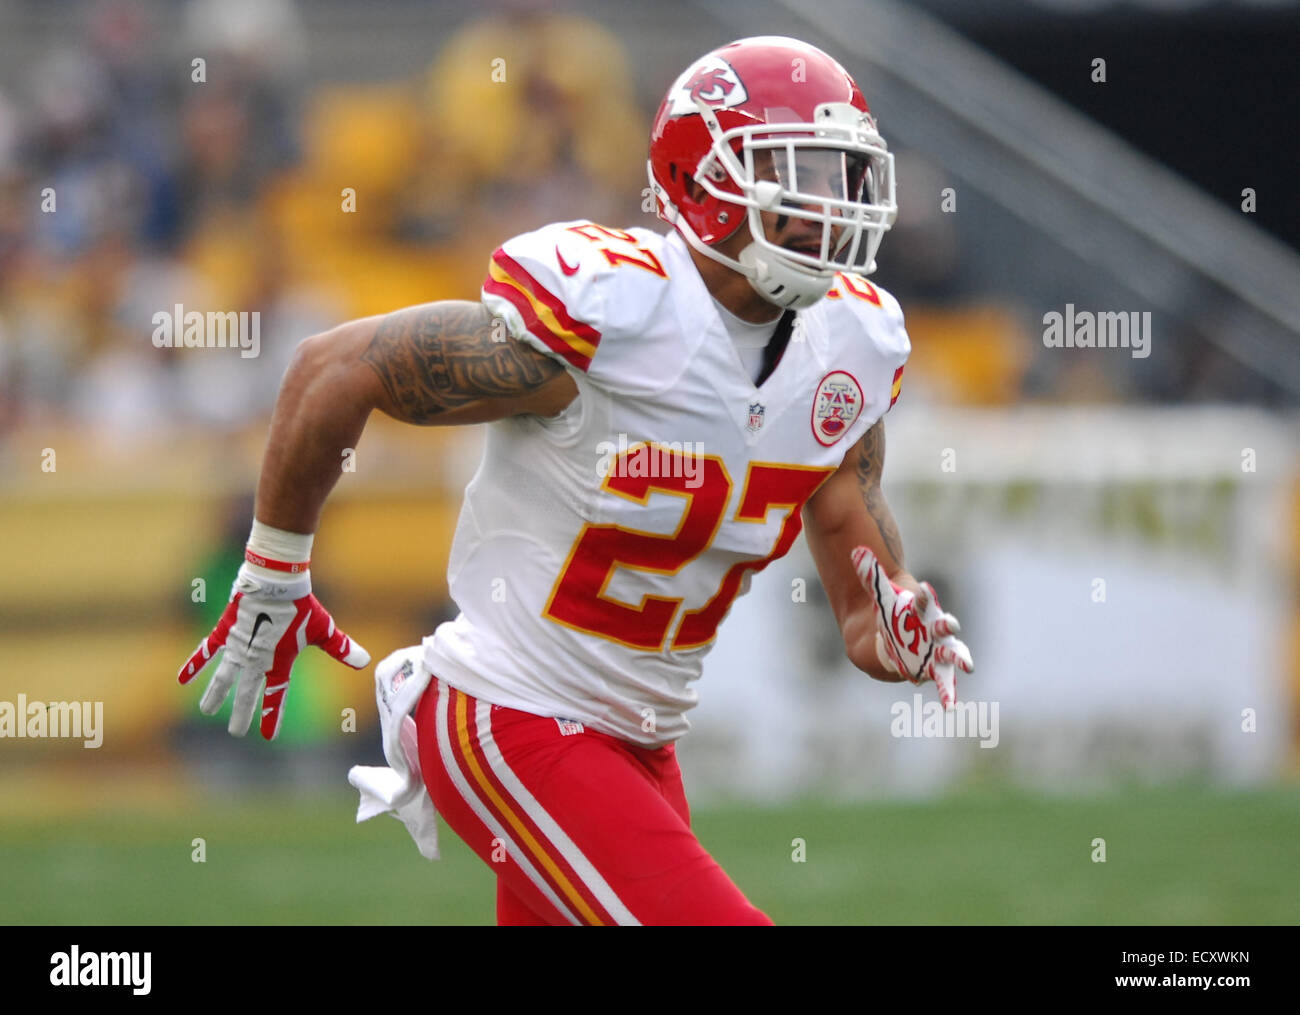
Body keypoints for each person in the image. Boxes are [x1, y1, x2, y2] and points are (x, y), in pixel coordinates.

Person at [177, 35, 974, 926]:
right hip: (510, 715)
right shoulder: (617, 317)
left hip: (639, 742)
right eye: (798, 174)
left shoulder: (850, 346)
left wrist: (896, 619)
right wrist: (274, 568)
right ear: (706, 180)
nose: (830, 207)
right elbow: (333, 368)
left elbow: (857, 576)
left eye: (842, 177)